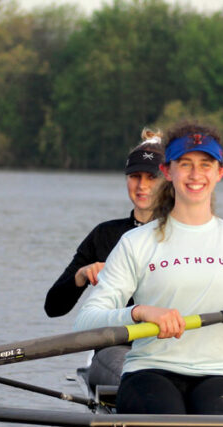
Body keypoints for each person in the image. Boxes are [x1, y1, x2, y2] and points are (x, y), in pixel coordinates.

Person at [73, 121, 223, 427]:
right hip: (151, 374)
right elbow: (85, 324)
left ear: (221, 172)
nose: (196, 175)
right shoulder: (136, 243)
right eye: (185, 164)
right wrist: (138, 313)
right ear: (168, 170)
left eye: (206, 165)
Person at [45, 129, 164, 386]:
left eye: (151, 178)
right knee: (142, 381)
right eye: (134, 176)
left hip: (169, 350)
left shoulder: (183, 235)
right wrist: (80, 276)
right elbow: (53, 307)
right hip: (116, 350)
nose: (142, 186)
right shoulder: (105, 235)